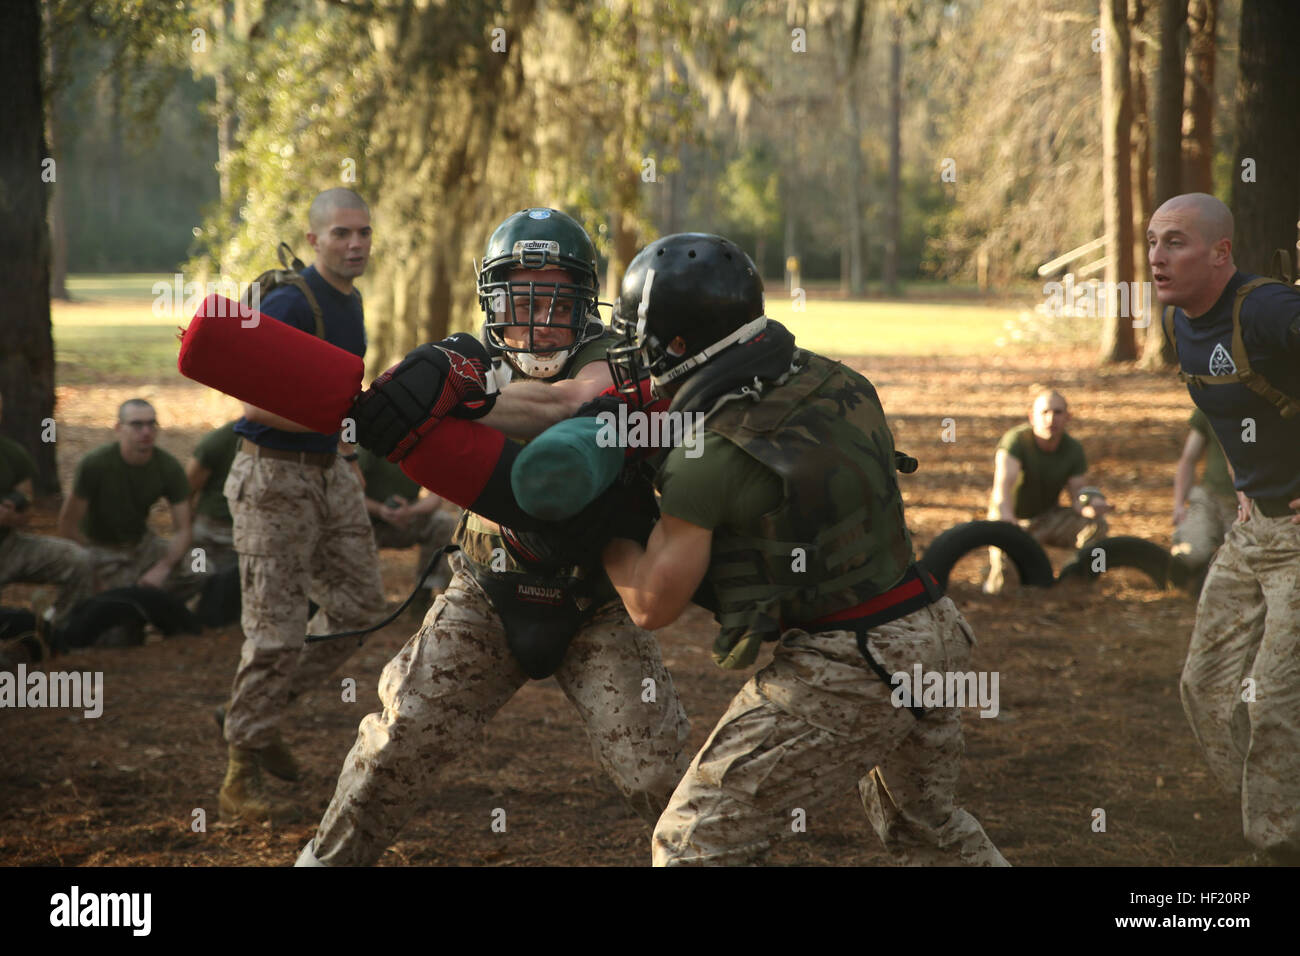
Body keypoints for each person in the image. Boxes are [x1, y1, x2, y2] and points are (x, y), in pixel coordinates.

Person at [293, 208, 690, 866]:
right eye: (519, 299)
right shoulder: (474, 357)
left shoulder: (611, 360)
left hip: (594, 598)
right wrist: (421, 406)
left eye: (553, 300)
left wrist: (455, 400)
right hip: (487, 584)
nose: (535, 319)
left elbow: (571, 403)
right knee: (396, 743)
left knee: (658, 774)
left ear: (585, 303)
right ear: (491, 302)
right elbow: (446, 438)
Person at [599, 232, 1006, 866]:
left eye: (642, 339)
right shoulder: (836, 377)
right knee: (929, 832)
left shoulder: (709, 455)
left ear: (678, 345)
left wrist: (602, 530)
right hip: (934, 627)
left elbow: (651, 604)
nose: (632, 355)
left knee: (692, 842)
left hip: (854, 662)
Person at [216, 188, 386, 823]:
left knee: (359, 606)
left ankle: (256, 713)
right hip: (273, 479)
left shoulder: (354, 302)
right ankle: (240, 770)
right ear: (314, 240)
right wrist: (331, 423)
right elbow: (251, 404)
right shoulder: (291, 302)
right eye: (342, 233)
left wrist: (345, 459)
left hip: (327, 472)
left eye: (364, 233)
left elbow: (338, 395)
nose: (356, 244)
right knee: (275, 631)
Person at [1150, 191, 1300, 864]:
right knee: (1205, 689)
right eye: (1153, 240)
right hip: (1254, 533)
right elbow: (1234, 414)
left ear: (1220, 253)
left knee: (1275, 701)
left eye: (1175, 241)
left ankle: (1277, 845)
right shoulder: (1180, 321)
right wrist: (1244, 478)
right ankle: (1275, 810)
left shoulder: (1268, 310)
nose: (1157, 256)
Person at [57, 399, 197, 598]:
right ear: (118, 428)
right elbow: (67, 526)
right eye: (137, 424)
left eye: (151, 424)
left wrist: (163, 567)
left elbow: (184, 529)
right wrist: (91, 566)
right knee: (115, 601)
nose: (146, 431)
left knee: (200, 567)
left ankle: (155, 611)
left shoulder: (168, 467)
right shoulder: (94, 465)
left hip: (142, 545)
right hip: (99, 548)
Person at [983, 388, 1112, 593]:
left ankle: (1076, 580)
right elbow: (1003, 487)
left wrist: (1089, 507)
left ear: (1068, 417)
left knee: (1096, 524)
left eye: (1058, 412)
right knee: (1005, 589)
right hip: (1012, 516)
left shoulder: (1073, 449)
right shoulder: (1015, 441)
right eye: (1045, 412)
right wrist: (1007, 521)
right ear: (1032, 416)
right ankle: (995, 578)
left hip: (1047, 517)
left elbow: (1078, 494)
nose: (1051, 418)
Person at [0, 392, 93, 631]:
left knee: (78, 560)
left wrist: (14, 514)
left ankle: (57, 632)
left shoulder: (12, 454)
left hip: (8, 546)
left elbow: (26, 507)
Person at [357, 447, 458, 597]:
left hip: (406, 521)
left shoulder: (421, 449)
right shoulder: (368, 449)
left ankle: (423, 593)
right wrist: (380, 510)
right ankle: (362, 596)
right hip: (369, 524)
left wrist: (409, 511)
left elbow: (435, 497)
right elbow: (351, 492)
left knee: (442, 522)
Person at [1170, 406, 1237, 576]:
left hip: (1253, 505)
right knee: (1192, 553)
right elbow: (1188, 459)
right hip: (1210, 497)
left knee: (1243, 563)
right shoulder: (1213, 401)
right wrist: (1178, 505)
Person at [186, 419, 241, 574]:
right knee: (198, 575)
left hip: (251, 533)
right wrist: (187, 529)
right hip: (212, 531)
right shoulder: (221, 439)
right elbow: (188, 488)